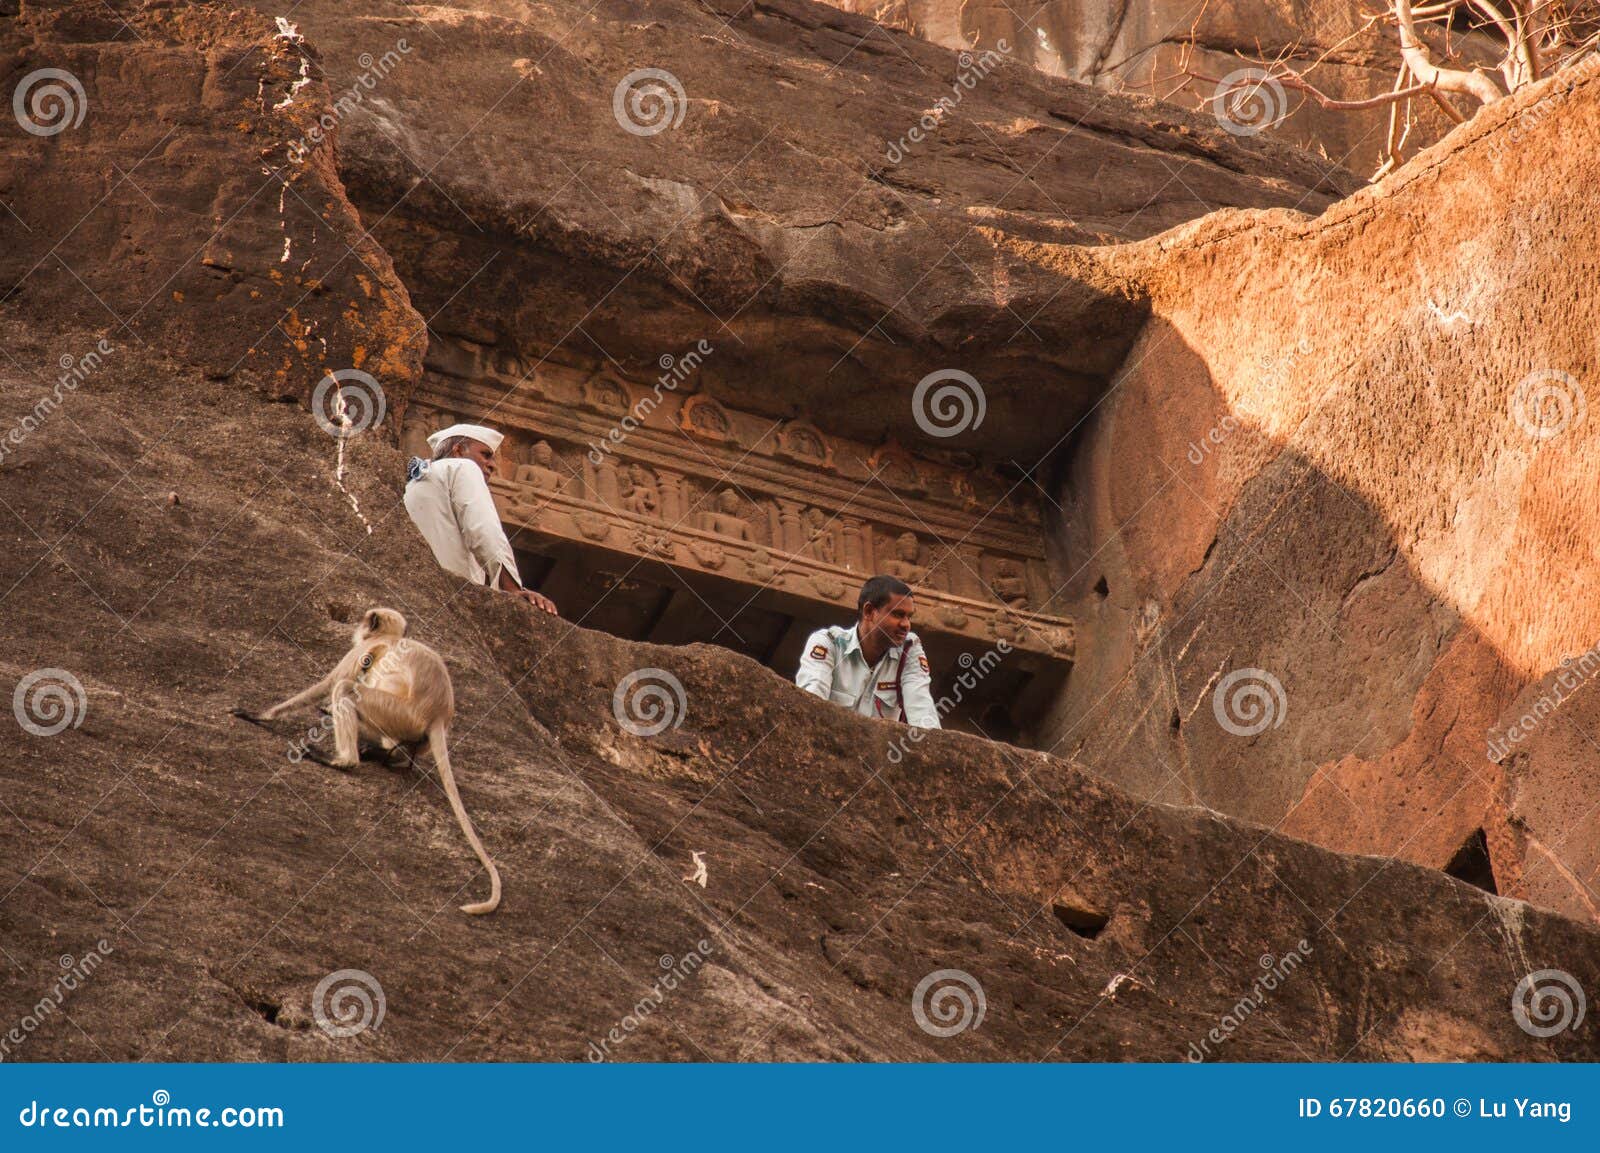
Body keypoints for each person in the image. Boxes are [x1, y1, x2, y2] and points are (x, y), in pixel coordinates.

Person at [404, 422, 558, 615]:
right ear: (458, 450)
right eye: (486, 455)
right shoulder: (463, 466)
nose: (493, 465)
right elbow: (483, 528)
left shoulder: (416, 479)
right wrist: (512, 589)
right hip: (445, 594)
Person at [795, 575, 938, 728]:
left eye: (909, 617)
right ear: (869, 611)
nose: (906, 625)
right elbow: (811, 703)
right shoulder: (829, 643)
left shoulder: (909, 648)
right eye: (898, 614)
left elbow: (921, 708)